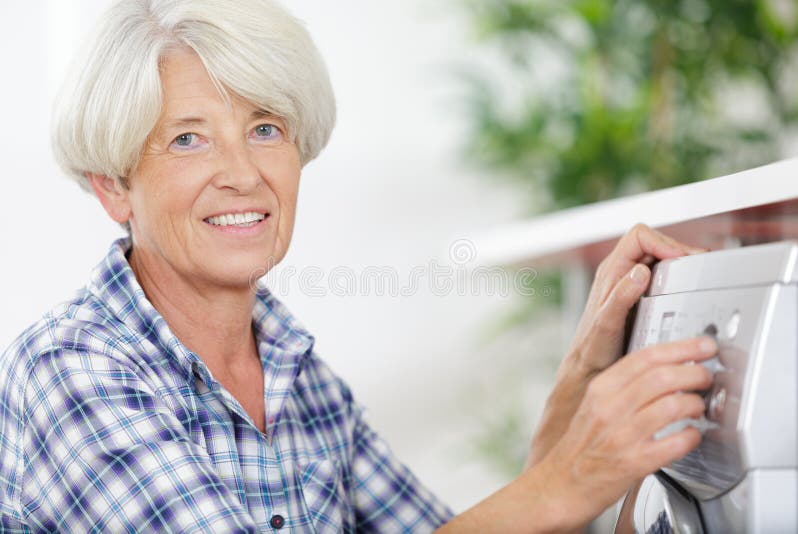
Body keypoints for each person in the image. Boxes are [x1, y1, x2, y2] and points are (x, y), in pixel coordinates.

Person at [0, 0, 716, 531]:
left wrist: (581, 380)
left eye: (265, 129)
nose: (243, 173)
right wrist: (572, 474)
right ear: (113, 187)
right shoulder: (73, 369)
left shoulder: (300, 378)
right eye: (189, 139)